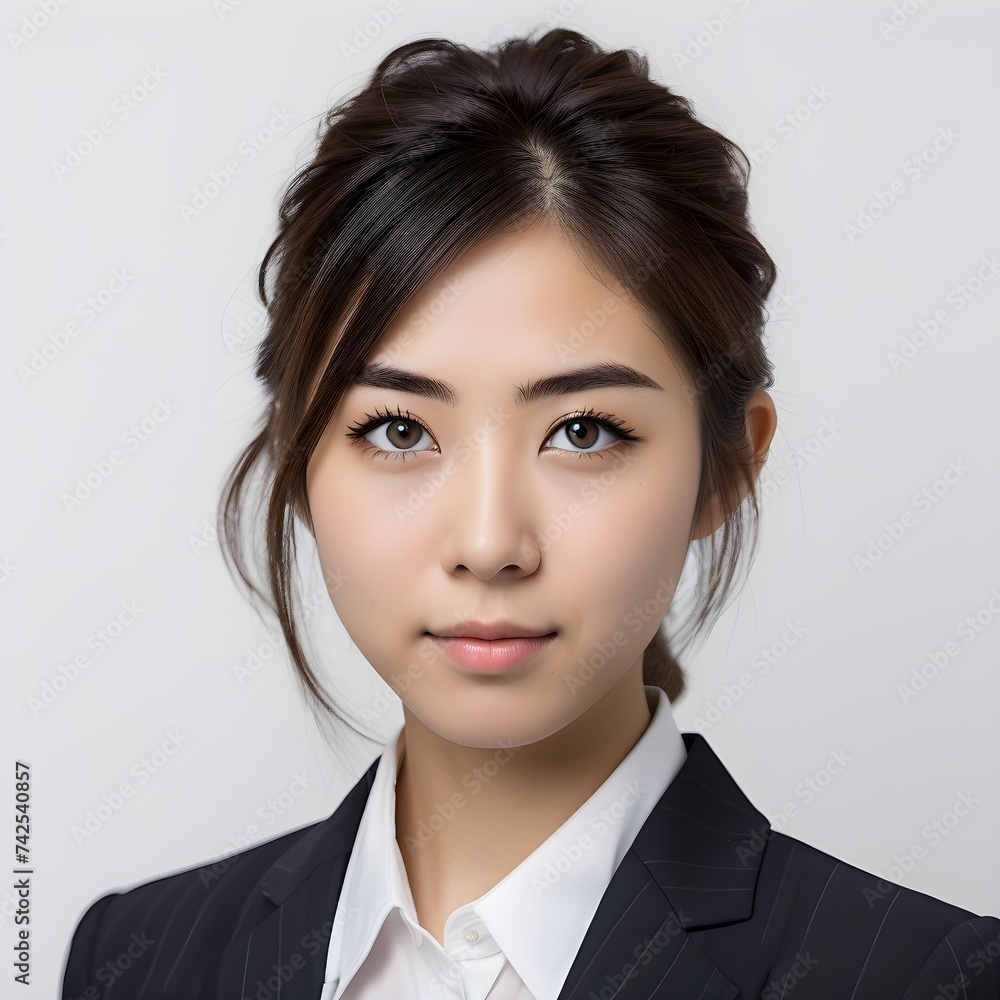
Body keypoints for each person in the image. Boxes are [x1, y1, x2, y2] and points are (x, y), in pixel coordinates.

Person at [61, 26, 1000, 1000]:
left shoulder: (926, 977)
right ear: (300, 457)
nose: (488, 544)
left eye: (583, 432)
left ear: (727, 466)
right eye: (398, 430)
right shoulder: (138, 959)